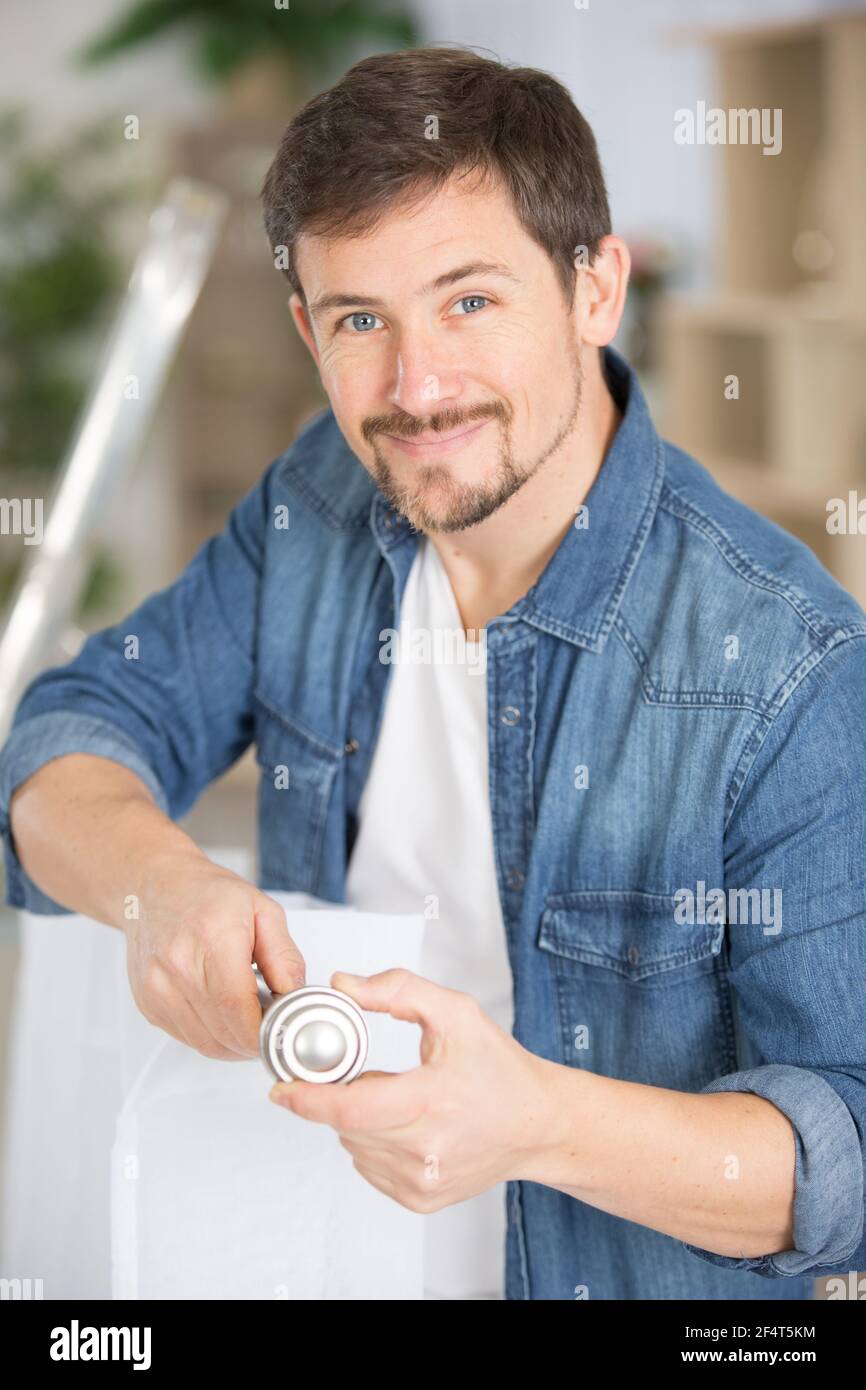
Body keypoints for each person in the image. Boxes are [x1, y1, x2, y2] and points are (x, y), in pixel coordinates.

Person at [1, 46, 864, 1302]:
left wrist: (535, 1124)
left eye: (469, 300)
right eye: (362, 320)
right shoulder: (320, 497)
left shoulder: (789, 664)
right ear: (307, 331)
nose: (415, 390)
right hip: (322, 1250)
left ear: (594, 290)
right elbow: (68, 730)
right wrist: (157, 887)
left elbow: (845, 1154)